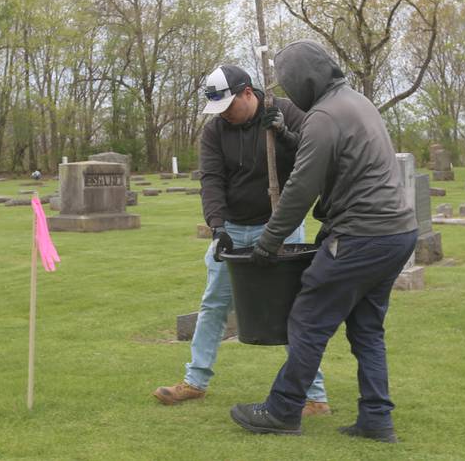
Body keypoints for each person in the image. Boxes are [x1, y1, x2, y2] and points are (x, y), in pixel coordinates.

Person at [228, 40, 417, 443]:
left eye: (290, 83)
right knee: (366, 328)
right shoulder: (356, 102)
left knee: (308, 318)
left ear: (303, 80)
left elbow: (301, 187)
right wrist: (284, 133)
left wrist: (268, 242)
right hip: (398, 232)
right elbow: (327, 155)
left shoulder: (324, 115)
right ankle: (376, 419)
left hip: (361, 235)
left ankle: (282, 410)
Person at [152, 64, 331, 417]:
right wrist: (218, 228)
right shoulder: (214, 130)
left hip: (280, 225)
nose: (224, 115)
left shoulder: (286, 111)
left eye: (228, 106)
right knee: (214, 304)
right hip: (233, 227)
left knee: (291, 309)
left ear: (247, 93)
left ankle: (314, 396)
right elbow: (212, 180)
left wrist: (283, 133)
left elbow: (314, 159)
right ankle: (195, 381)